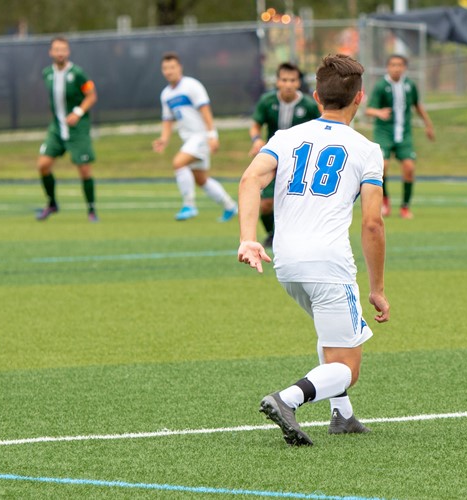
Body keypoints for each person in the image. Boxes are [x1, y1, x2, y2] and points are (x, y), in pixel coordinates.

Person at [238, 54, 389, 447]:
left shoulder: (286, 138)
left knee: (331, 335)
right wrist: (377, 288)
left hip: (286, 264)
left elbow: (250, 179)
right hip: (329, 264)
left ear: (316, 96)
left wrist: (248, 237)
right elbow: (373, 223)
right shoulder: (367, 150)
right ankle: (286, 400)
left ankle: (343, 416)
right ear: (359, 98)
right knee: (347, 367)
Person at [153, 52, 238, 222]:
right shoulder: (166, 94)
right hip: (189, 140)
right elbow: (168, 120)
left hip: (200, 137)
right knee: (201, 179)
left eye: (172, 67)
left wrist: (212, 135)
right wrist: (164, 138)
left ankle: (189, 205)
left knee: (178, 163)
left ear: (180, 68)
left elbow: (205, 111)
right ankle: (230, 206)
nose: (169, 71)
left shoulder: (191, 85)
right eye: (165, 68)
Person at [248, 62, 322, 246]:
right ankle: (273, 234)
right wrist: (257, 139)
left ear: (298, 83)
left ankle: (299, 236)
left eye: (292, 80)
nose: (288, 84)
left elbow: (320, 127)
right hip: (273, 159)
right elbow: (255, 124)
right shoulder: (267, 101)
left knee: (299, 204)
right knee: (265, 204)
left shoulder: (309, 105)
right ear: (277, 82)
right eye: (284, 80)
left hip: (301, 162)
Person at [36, 36, 99, 222]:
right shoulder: (47, 73)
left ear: (68, 52)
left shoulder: (78, 73)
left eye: (63, 49)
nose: (60, 53)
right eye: (56, 49)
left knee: (84, 169)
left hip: (77, 129)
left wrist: (78, 112)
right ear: (50, 52)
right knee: (43, 165)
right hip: (56, 128)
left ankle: (91, 210)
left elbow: (91, 96)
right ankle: (52, 204)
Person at [365, 54, 435, 219]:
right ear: (388, 67)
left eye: (399, 65)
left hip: (404, 133)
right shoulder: (381, 86)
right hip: (384, 133)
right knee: (382, 166)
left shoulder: (409, 85)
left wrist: (428, 125)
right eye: (393, 65)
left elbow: (417, 105)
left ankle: (405, 206)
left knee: (409, 168)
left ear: (405, 68)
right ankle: (385, 201)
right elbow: (368, 109)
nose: (396, 68)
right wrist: (379, 112)